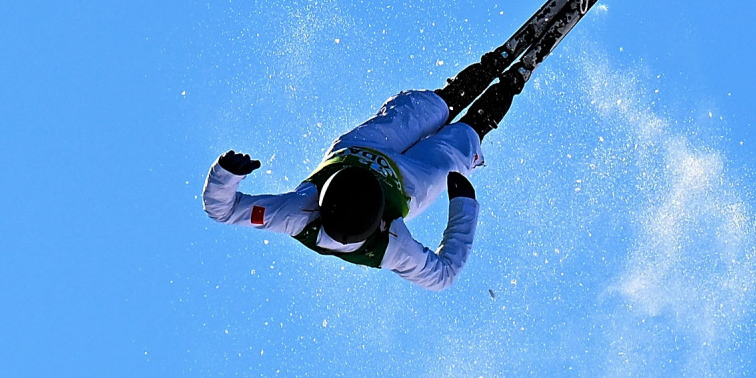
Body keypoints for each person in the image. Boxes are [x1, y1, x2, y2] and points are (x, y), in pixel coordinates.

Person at [199, 63, 529, 291]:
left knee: (420, 111)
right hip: (407, 186)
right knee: (451, 154)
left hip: (361, 149)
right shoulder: (391, 247)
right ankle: (504, 93)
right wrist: (464, 206)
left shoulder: (293, 212)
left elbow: (224, 210)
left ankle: (481, 73)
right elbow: (444, 275)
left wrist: (225, 176)